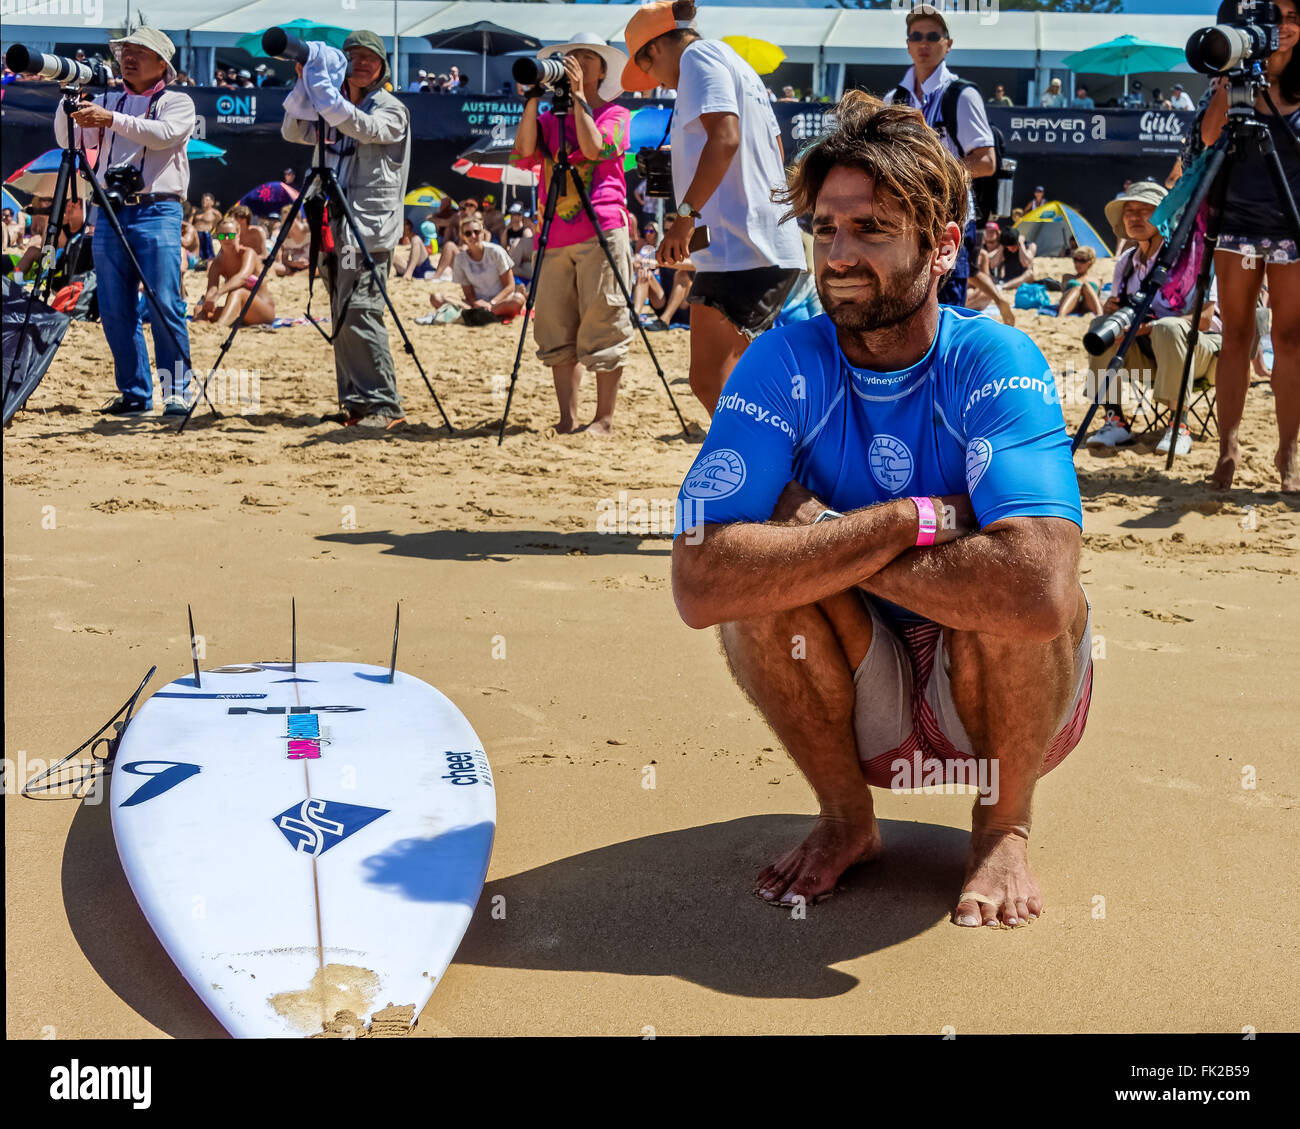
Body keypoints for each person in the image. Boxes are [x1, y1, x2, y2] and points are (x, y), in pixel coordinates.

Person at [670, 91, 1092, 928]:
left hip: (1006, 705)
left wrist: (818, 533)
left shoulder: (995, 358)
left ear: (942, 248)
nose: (838, 255)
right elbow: (700, 579)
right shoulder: (781, 362)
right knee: (758, 596)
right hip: (861, 689)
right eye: (825, 228)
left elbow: (1038, 591)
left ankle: (1003, 826)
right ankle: (846, 818)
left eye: (871, 230)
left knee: (1012, 591)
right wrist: (908, 520)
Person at [623, 1, 806, 413]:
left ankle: (763, 454)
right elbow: (774, 149)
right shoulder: (737, 64)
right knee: (737, 380)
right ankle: (769, 449)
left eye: (648, 70)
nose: (658, 83)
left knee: (712, 381)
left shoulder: (697, 57)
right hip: (758, 242)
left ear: (654, 49)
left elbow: (725, 139)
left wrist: (685, 218)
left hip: (743, 247)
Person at [55, 27, 195, 416]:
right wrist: (68, 98)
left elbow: (165, 135)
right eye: (124, 52)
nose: (127, 58)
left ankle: (176, 391)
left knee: (164, 302)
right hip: (109, 208)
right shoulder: (105, 100)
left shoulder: (177, 101)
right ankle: (135, 393)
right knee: (114, 307)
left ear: (162, 64)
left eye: (139, 52)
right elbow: (67, 139)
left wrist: (110, 118)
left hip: (158, 209)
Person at [282, 29, 411, 430]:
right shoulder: (331, 105)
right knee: (341, 312)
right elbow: (292, 131)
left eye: (369, 57)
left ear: (383, 65)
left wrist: (326, 95)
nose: (360, 63)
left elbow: (365, 128)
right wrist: (306, 84)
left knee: (361, 310)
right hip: (331, 222)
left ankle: (383, 404)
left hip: (367, 230)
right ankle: (356, 402)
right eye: (352, 56)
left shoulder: (391, 108)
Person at [512, 32, 636, 435]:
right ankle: (568, 418)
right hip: (553, 233)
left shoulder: (616, 114)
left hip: (602, 228)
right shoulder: (550, 119)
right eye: (570, 57)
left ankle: (604, 419)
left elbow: (595, 148)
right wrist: (533, 99)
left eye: (586, 58)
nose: (575, 63)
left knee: (604, 322)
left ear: (602, 71)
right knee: (555, 327)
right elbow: (522, 152)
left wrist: (580, 97)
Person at [1199, 0, 1299, 490]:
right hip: (1237, 225)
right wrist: (1229, 74)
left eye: (1292, 17)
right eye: (1272, 16)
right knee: (1236, 336)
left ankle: (1288, 449)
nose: (1282, 26)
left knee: (1290, 339)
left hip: (1293, 228)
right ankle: (1228, 447)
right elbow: (1209, 136)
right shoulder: (1234, 75)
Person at [885, 4, 996, 308]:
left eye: (933, 36)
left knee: (945, 310)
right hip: (905, 219)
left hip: (951, 218)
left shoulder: (962, 95)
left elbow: (987, 162)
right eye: (916, 36)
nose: (924, 43)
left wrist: (933, 173)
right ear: (908, 44)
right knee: (903, 306)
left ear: (948, 44)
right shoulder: (894, 99)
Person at [1083, 180, 1207, 449]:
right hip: (1147, 352)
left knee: (1168, 328)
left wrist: (1151, 327)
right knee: (1103, 326)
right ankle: (1115, 420)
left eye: (1144, 210)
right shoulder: (1127, 261)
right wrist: (1112, 311)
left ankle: (1179, 425)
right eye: (1129, 211)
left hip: (1197, 353)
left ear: (1165, 215)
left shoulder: (1193, 257)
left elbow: (1207, 318)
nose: (1134, 217)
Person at [423, 214, 524, 322]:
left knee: (518, 299)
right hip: (476, 304)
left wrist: (492, 303)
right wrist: (476, 303)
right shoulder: (461, 259)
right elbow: (468, 292)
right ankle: (483, 313)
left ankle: (480, 313)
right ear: (462, 236)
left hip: (499, 301)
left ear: (483, 232)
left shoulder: (496, 252)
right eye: (468, 233)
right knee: (436, 297)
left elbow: (509, 286)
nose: (473, 236)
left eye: (477, 232)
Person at [194, 217, 275, 326]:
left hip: (262, 311)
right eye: (222, 236)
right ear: (217, 236)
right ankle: (201, 330)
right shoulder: (217, 263)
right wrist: (208, 302)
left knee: (238, 292)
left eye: (231, 235)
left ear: (238, 234)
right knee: (199, 310)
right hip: (239, 311)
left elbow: (243, 277)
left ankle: (219, 327)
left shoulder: (248, 253)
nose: (226, 239)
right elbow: (212, 289)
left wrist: (219, 294)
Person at [1056, 246, 1104, 319]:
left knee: (1086, 286)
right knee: (1077, 289)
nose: (1077, 264)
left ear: (1090, 262)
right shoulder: (1067, 277)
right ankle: (1060, 316)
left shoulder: (1098, 280)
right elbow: (1063, 294)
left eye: (1082, 260)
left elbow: (1098, 298)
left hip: (1087, 306)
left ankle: (1100, 315)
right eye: (1075, 260)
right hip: (1071, 305)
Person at [274, 207, 311, 275]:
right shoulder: (285, 238)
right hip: (296, 268)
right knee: (281, 269)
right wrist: (294, 264)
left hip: (314, 265)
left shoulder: (309, 231)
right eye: (285, 221)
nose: (287, 223)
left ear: (298, 218)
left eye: (290, 219)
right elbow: (284, 260)